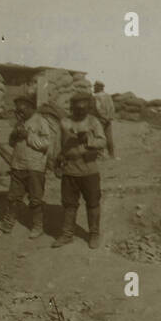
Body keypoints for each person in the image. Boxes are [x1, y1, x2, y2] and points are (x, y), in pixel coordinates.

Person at [53, 92, 107, 249]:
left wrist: (88, 140)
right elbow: (58, 144)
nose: (80, 111)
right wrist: (56, 163)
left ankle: (94, 234)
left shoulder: (93, 121)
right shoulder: (65, 122)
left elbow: (102, 141)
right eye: (77, 108)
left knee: (92, 203)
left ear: (88, 107)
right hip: (69, 170)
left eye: (83, 108)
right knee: (69, 204)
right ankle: (67, 234)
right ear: (72, 108)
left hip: (89, 171)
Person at [1, 96, 54, 239]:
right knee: (13, 197)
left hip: (34, 166)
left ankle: (38, 227)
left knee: (35, 198)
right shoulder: (19, 123)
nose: (19, 112)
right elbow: (12, 143)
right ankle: (8, 223)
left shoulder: (40, 121)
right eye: (17, 110)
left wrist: (28, 136)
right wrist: (14, 135)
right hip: (18, 165)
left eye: (22, 109)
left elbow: (45, 143)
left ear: (30, 107)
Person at [93, 80, 116, 160]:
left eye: (95, 86)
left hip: (100, 119)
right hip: (108, 119)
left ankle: (100, 155)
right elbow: (112, 107)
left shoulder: (96, 96)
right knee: (109, 137)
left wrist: (103, 117)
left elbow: (98, 108)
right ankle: (112, 155)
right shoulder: (108, 96)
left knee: (99, 136)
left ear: (99, 87)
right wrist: (109, 117)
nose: (94, 88)